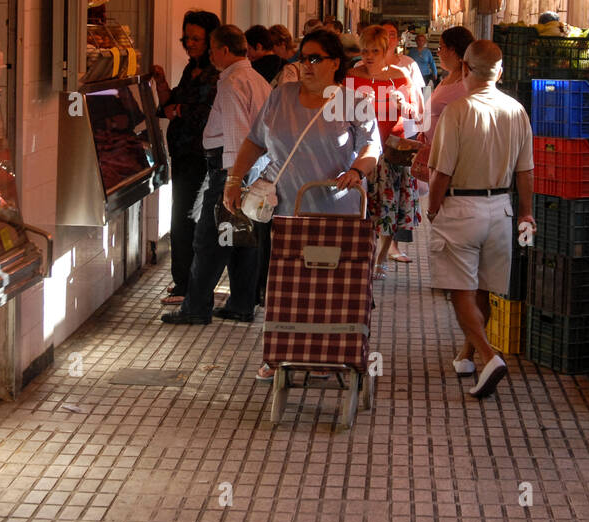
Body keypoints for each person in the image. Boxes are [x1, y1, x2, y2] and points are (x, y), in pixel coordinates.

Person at [224, 29, 382, 380]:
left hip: (337, 210)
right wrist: (234, 180)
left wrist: (357, 170)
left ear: (335, 63)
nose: (306, 65)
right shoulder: (281, 96)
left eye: (315, 59)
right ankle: (277, 352)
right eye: (302, 58)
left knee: (331, 285)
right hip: (285, 210)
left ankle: (329, 351)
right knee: (284, 283)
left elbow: (373, 147)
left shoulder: (353, 101)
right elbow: (254, 142)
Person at [426, 41, 535, 399]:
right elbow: (526, 172)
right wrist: (525, 214)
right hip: (501, 210)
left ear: (466, 70)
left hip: (461, 208)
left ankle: (489, 357)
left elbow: (442, 172)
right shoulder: (517, 111)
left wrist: (432, 207)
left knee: (461, 292)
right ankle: (467, 355)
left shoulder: (458, 111)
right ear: (499, 72)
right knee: (484, 288)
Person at [161, 25, 272, 325]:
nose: (209, 54)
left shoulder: (233, 82)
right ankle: (241, 304)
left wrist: (233, 180)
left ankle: (195, 308)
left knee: (209, 239)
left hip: (229, 170)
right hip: (253, 169)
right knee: (242, 238)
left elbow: (237, 132)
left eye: (212, 48)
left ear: (224, 50)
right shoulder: (257, 79)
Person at [151, 9, 221, 305]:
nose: (190, 43)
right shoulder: (191, 69)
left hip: (200, 157)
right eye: (186, 38)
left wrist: (178, 111)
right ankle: (183, 280)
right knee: (180, 217)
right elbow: (175, 99)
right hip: (182, 155)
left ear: (211, 41)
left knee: (188, 220)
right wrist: (162, 83)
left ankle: (188, 286)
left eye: (196, 39)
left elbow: (208, 112)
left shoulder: (215, 74)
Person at [350, 25, 420, 276]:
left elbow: (415, 115)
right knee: (363, 208)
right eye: (365, 50)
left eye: (375, 51)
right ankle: (365, 255)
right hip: (360, 152)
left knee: (389, 207)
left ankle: (382, 257)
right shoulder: (352, 75)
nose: (368, 56)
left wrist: (404, 105)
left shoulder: (400, 76)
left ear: (386, 49)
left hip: (391, 151)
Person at [424, 26, 474, 142]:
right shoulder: (449, 78)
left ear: (452, 50)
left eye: (441, 47)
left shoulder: (465, 84)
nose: (438, 52)